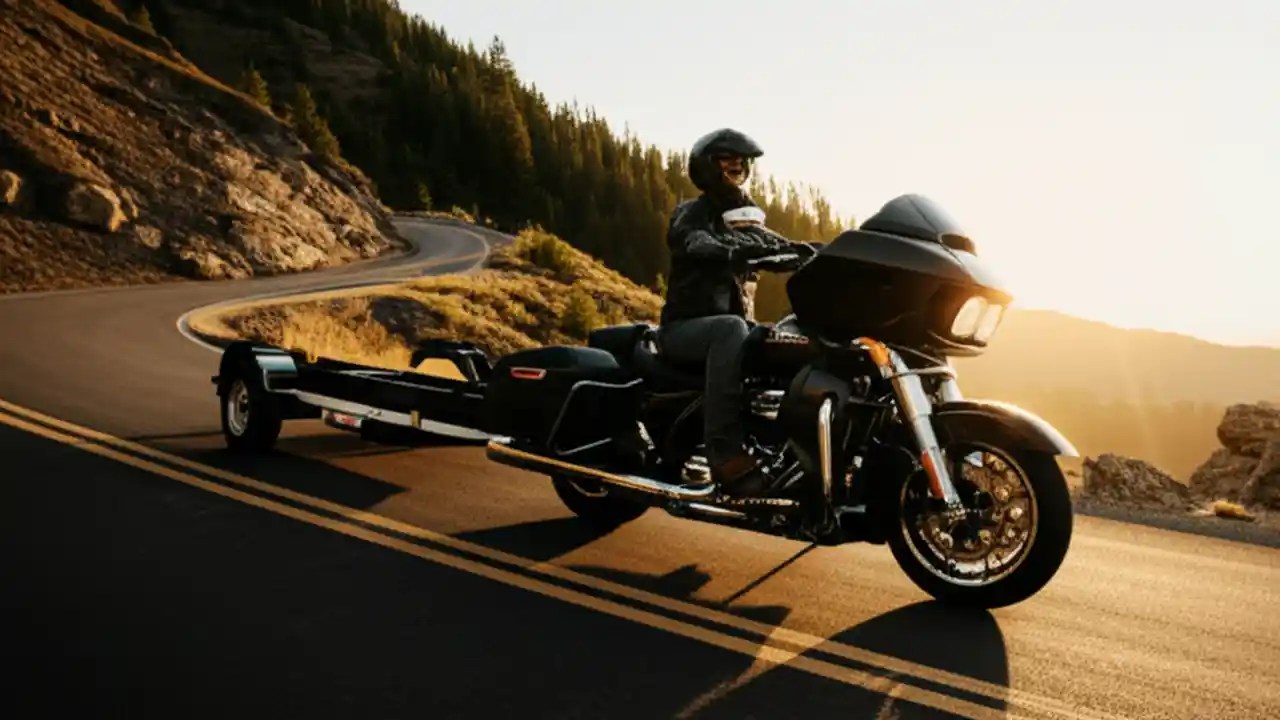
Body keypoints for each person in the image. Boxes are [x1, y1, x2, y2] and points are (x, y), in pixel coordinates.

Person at [658, 128, 817, 497]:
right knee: (732, 329)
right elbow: (693, 241)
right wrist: (730, 251)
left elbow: (775, 244)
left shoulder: (743, 216)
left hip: (732, 328)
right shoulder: (691, 213)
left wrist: (819, 253)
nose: (737, 167)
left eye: (742, 162)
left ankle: (783, 450)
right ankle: (724, 453)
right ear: (707, 167)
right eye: (728, 161)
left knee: (783, 336)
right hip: (683, 330)